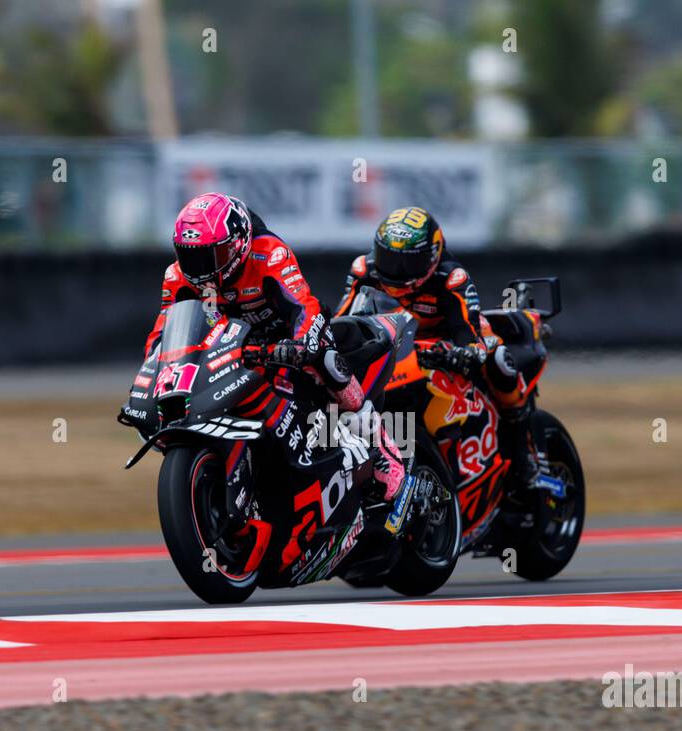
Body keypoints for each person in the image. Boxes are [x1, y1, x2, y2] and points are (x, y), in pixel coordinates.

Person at [145, 192, 408, 506]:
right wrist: (155, 371)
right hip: (233, 347)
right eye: (190, 256)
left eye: (210, 256)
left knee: (324, 359)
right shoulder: (176, 277)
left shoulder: (268, 254)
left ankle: (381, 448)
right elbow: (163, 332)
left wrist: (300, 344)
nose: (199, 268)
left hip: (285, 336)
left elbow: (305, 308)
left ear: (238, 244)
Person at [336, 206, 539, 487]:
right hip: (397, 343)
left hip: (447, 339)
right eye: (387, 258)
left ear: (431, 256)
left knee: (499, 359)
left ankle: (522, 450)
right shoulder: (363, 270)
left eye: (406, 263)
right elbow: (344, 320)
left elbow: (466, 332)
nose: (395, 271)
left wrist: (464, 353)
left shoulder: (451, 277)